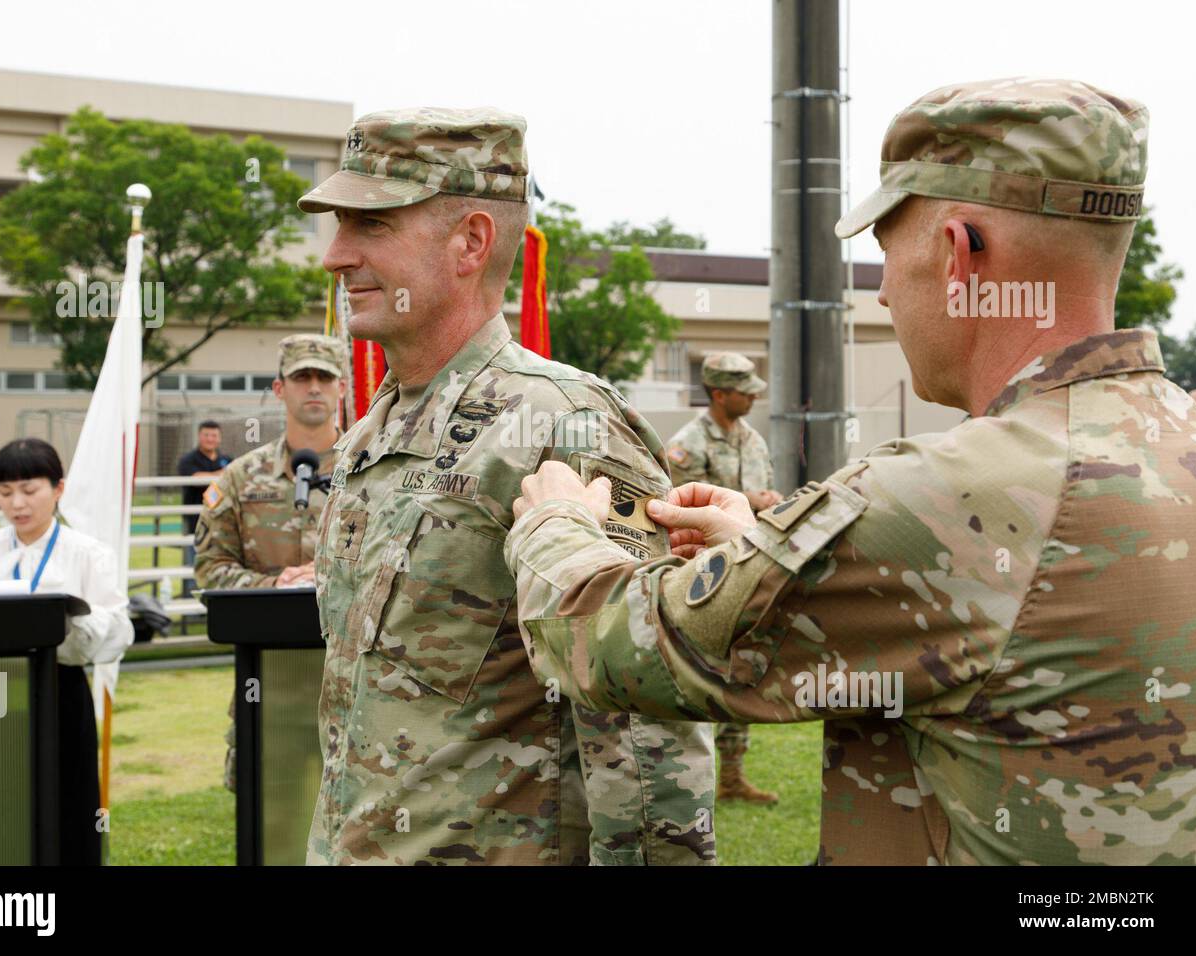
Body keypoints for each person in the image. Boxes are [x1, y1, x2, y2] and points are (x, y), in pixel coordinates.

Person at [504, 78, 1196, 865]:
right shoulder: (1180, 442)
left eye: (886, 260)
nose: (881, 298)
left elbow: (611, 646)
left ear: (958, 252)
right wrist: (770, 550)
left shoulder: (952, 492)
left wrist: (556, 522)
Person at [299, 107, 715, 865]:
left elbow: (645, 715)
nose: (336, 256)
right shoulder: (371, 435)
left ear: (471, 241)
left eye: (371, 226)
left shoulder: (563, 423)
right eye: (338, 226)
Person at [0, 437, 134, 865]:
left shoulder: (88, 553)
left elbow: (118, 630)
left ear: (58, 489)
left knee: (68, 801)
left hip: (60, 690)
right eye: (4, 492)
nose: (17, 504)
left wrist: (68, 619)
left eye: (29, 490)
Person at [194, 335, 343, 791]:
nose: (313, 387)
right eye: (302, 377)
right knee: (268, 817)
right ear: (280, 389)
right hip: (268, 677)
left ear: (342, 388)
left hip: (351, 682)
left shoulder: (375, 469)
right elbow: (210, 569)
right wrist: (275, 584)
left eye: (324, 378)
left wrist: (328, 580)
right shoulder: (240, 479)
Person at [666, 352, 781, 803]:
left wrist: (770, 501)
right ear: (718, 394)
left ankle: (731, 776)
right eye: (744, 390)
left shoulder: (752, 438)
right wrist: (749, 499)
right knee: (698, 674)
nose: (754, 396)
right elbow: (679, 506)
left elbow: (760, 493)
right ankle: (689, 779)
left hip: (746, 566)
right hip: (699, 572)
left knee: (740, 668)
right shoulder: (686, 444)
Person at [177, 420, 232, 590]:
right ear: (199, 436)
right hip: (195, 522)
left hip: (222, 522)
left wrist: (219, 475)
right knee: (193, 563)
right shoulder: (188, 460)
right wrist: (220, 475)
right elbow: (195, 479)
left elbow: (234, 480)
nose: (210, 439)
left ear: (219, 438)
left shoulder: (227, 460)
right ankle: (190, 606)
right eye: (206, 435)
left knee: (221, 563)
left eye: (214, 435)